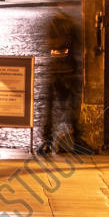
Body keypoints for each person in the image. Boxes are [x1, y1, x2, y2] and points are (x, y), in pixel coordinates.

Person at [40, 11, 83, 155]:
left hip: (55, 68)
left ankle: (47, 141)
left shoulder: (54, 23)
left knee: (50, 107)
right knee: (72, 106)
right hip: (69, 69)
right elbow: (79, 45)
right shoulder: (71, 24)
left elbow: (48, 43)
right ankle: (76, 140)